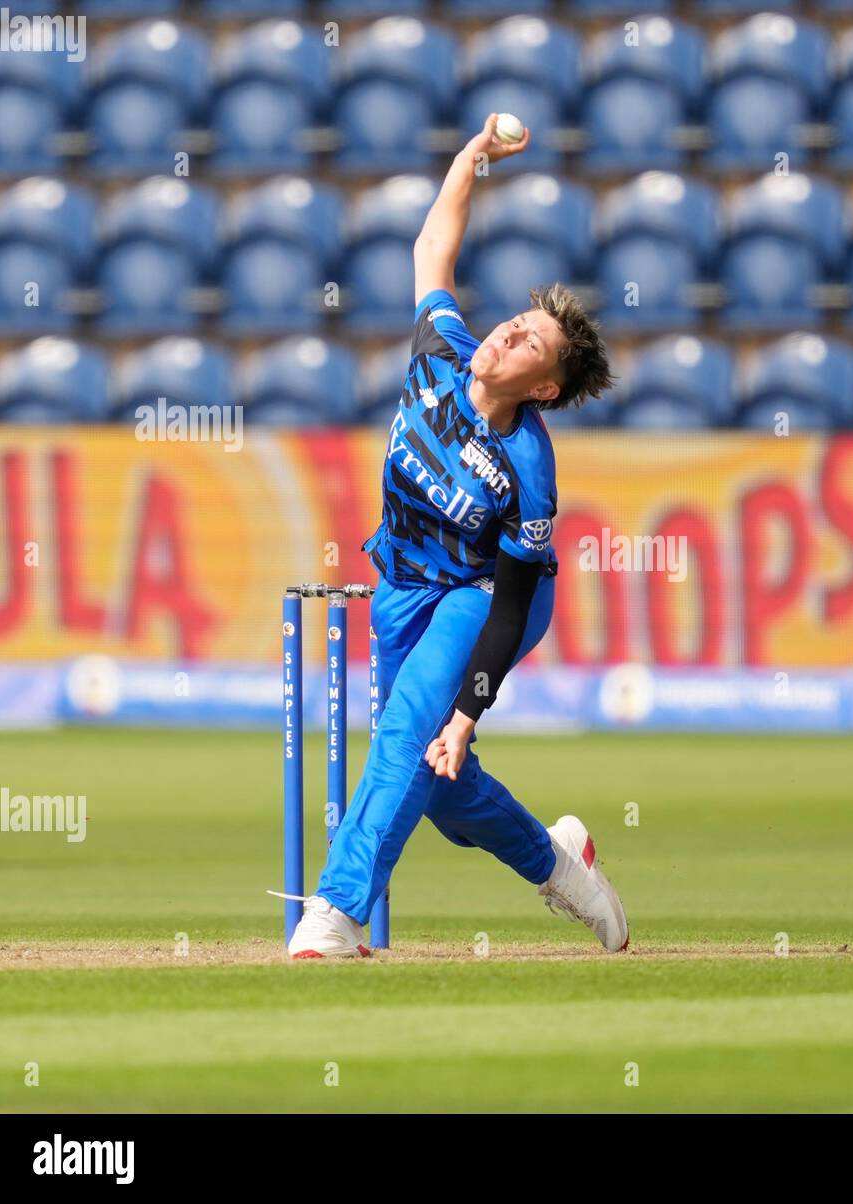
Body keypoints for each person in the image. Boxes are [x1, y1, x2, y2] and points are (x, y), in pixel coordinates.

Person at [287, 115, 627, 958]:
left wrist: (470, 710)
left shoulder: (526, 467)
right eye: (515, 322)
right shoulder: (442, 348)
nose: (508, 333)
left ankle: (335, 912)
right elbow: (429, 253)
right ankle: (562, 863)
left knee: (410, 731)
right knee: (443, 793)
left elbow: (512, 606)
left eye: (529, 344)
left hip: (483, 597)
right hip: (404, 582)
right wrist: (469, 159)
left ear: (544, 388)